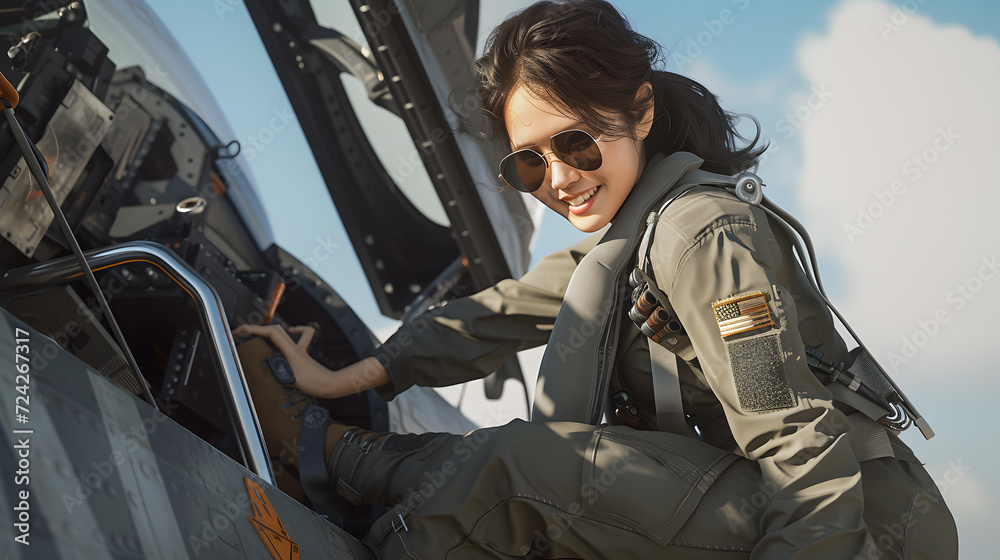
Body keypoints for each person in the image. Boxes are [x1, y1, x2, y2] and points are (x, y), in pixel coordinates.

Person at [235, 1, 958, 558]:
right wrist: (348, 377)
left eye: (576, 144)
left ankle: (338, 475)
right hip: (765, 497)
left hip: (860, 530)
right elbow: (497, 313)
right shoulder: (629, 245)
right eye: (529, 163)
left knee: (512, 471)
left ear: (639, 112)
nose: (558, 179)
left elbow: (798, 443)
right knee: (483, 459)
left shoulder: (702, 234)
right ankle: (331, 452)